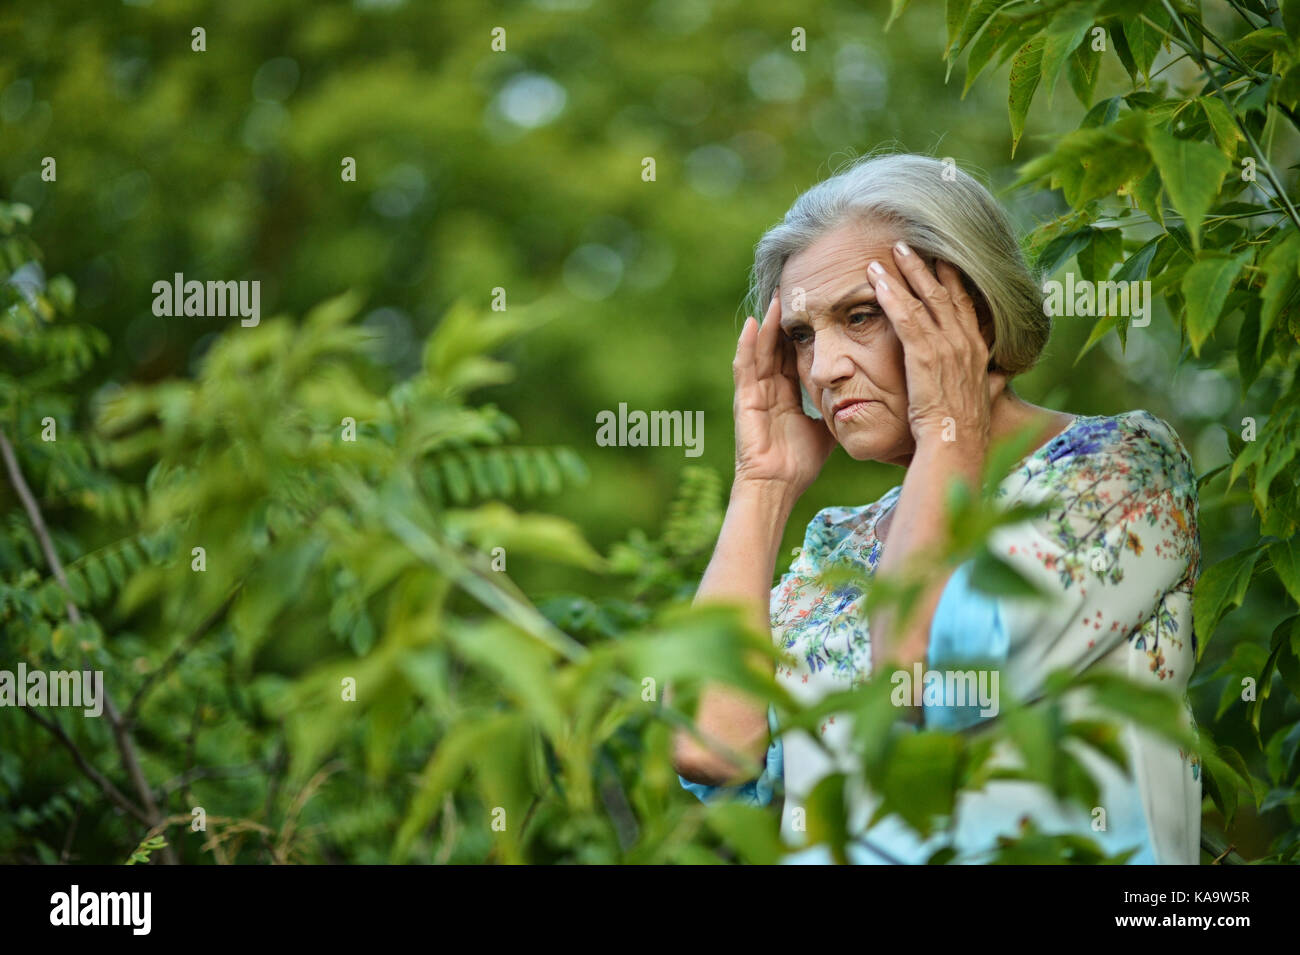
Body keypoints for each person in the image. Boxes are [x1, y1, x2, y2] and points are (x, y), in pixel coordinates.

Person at [671, 152, 1201, 864]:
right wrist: (761, 484)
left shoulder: (1119, 468)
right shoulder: (840, 545)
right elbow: (712, 749)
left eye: (860, 316)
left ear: (970, 314)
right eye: (802, 337)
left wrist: (948, 422)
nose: (822, 367)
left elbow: (916, 680)